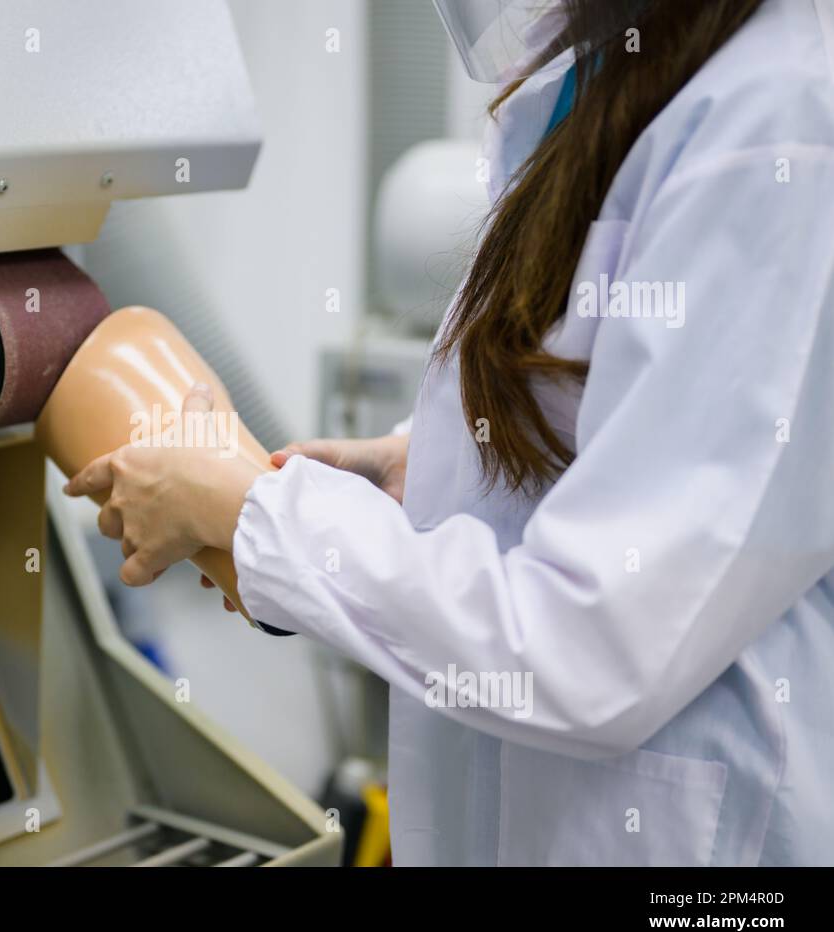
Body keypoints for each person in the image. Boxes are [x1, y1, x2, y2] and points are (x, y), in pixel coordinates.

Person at [64, 0, 834, 865]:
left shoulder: (781, 123)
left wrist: (261, 519)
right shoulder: (607, 69)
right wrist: (433, 464)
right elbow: (621, 405)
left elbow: (596, 644)